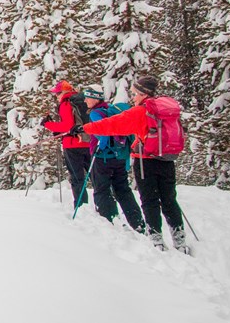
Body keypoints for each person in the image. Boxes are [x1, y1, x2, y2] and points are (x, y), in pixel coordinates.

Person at [73, 75, 188, 252]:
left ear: (143, 93)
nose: (133, 97)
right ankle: (179, 239)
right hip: (167, 159)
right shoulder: (164, 109)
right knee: (169, 199)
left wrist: (85, 128)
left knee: (150, 200)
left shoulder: (141, 111)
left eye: (135, 94)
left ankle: (156, 239)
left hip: (146, 161)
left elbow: (113, 125)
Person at [82, 87, 145, 233]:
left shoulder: (96, 114)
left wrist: (99, 147)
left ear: (95, 98)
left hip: (103, 157)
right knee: (123, 189)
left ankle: (109, 221)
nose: (85, 100)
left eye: (87, 97)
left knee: (101, 189)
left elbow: (103, 133)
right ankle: (137, 222)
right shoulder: (111, 110)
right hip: (119, 157)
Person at [41, 80, 91, 210]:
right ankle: (104, 205)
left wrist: (48, 125)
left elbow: (68, 126)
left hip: (72, 144)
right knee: (95, 175)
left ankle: (81, 207)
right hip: (88, 142)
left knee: (77, 178)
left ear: (64, 92)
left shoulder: (66, 103)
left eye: (57, 93)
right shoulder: (83, 101)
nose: (56, 96)